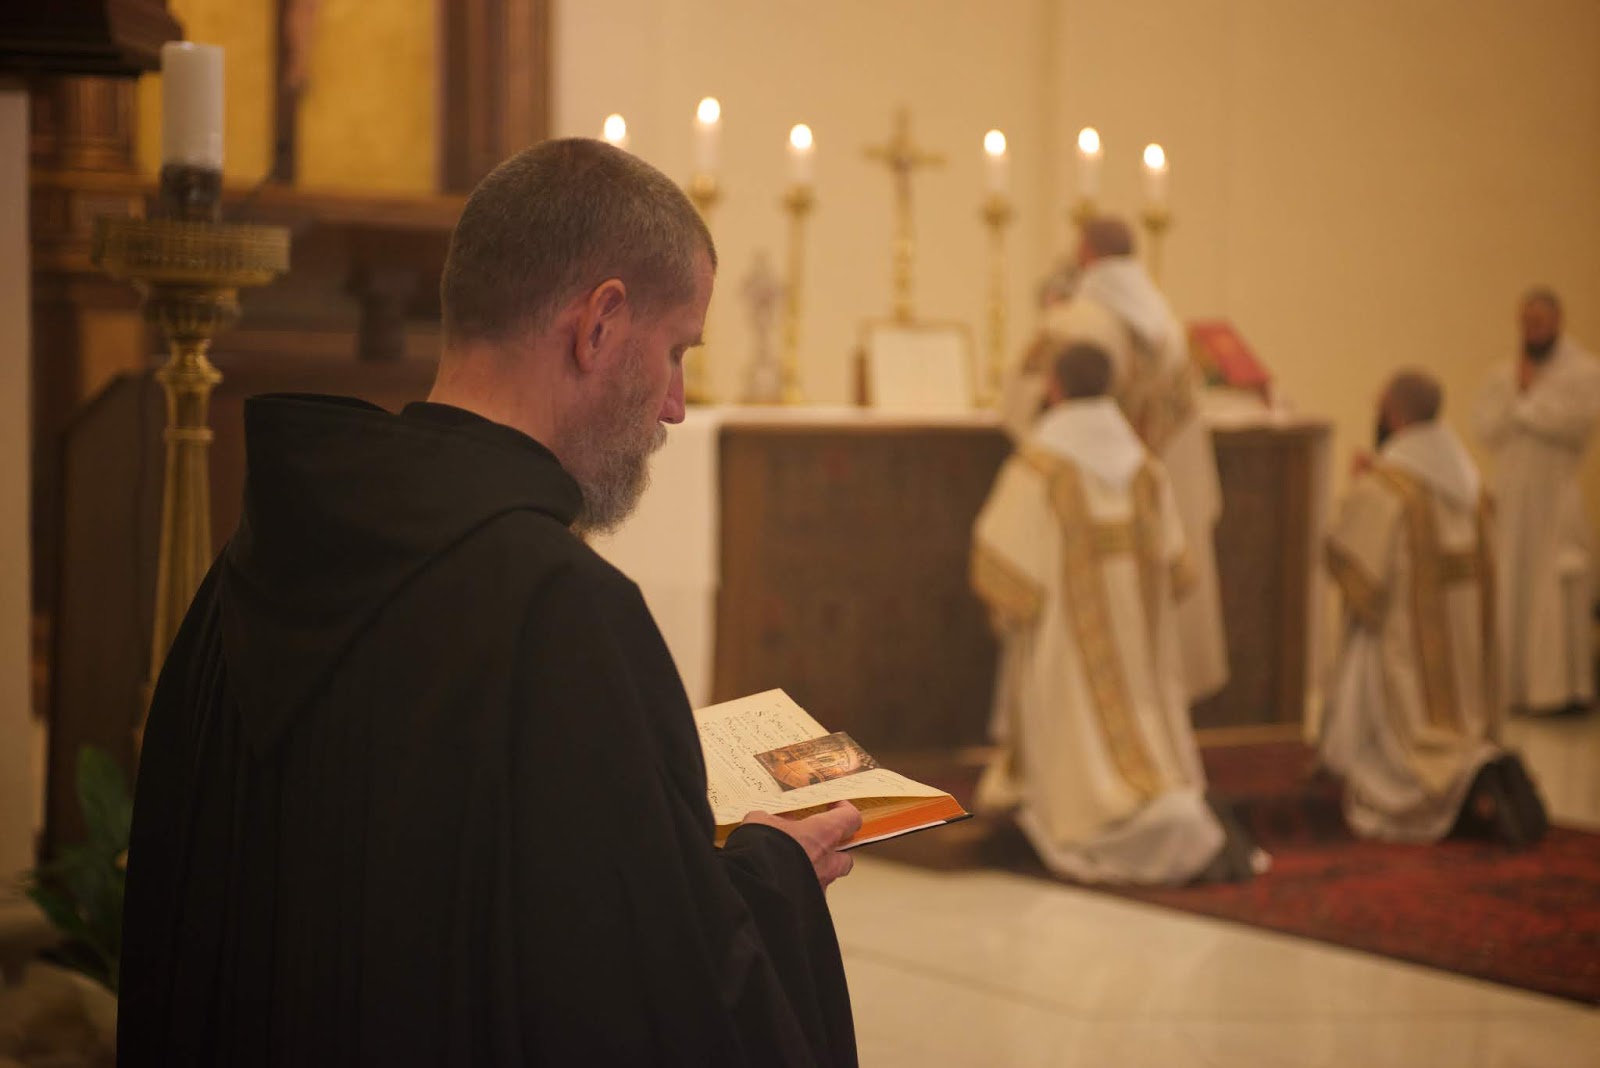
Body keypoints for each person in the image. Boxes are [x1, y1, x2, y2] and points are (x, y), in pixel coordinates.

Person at [119, 139, 862, 1067]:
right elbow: (647, 996)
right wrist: (774, 872)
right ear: (599, 324)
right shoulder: (561, 611)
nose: (675, 404)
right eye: (676, 351)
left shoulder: (253, 562)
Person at [973, 342, 1261, 886]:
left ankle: (1094, 807)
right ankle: (1161, 804)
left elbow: (1002, 572)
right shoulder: (1145, 468)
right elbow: (1179, 571)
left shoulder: (1040, 466)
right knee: (1145, 741)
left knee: (1074, 745)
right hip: (1139, 659)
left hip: (1066, 653)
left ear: (1054, 387)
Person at [1003, 217, 1229, 703]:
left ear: (1085, 254)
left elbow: (1019, 406)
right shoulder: (1170, 331)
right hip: (1149, 510)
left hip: (1082, 512)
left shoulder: (1071, 322)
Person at [1323, 371, 1547, 846]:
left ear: (1393, 415)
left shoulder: (1389, 486)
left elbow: (1351, 563)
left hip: (1406, 657)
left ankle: (1463, 786)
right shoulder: (1470, 484)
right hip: (1465, 660)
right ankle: (1480, 768)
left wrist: (1356, 488)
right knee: (1460, 724)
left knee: (1405, 749)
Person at [1474, 288, 1600, 715]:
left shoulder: (1583, 371)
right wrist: (1520, 396)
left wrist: (1526, 400)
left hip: (1556, 498)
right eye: (1525, 323)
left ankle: (1558, 690)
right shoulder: (1503, 374)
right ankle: (1511, 689)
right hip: (1513, 499)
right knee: (1510, 585)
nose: (1531, 331)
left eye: (1539, 323)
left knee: (1554, 588)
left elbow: (1575, 424)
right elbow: (1485, 427)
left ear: (1558, 321)